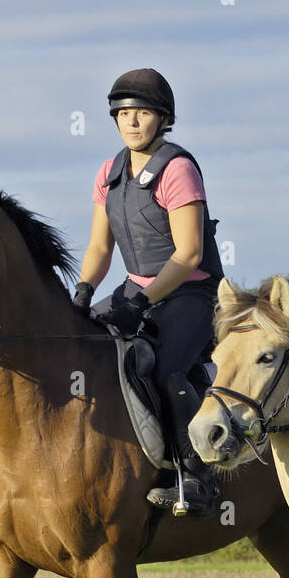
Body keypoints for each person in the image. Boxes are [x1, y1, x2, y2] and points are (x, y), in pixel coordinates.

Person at [72, 68, 224, 516]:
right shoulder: (109, 172)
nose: (131, 122)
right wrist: (83, 291)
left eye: (141, 114)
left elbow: (190, 253)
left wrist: (140, 302)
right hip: (134, 289)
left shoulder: (177, 169)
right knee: (80, 347)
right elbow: (101, 246)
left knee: (165, 370)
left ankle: (196, 475)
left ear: (163, 118)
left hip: (191, 294)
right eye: (123, 114)